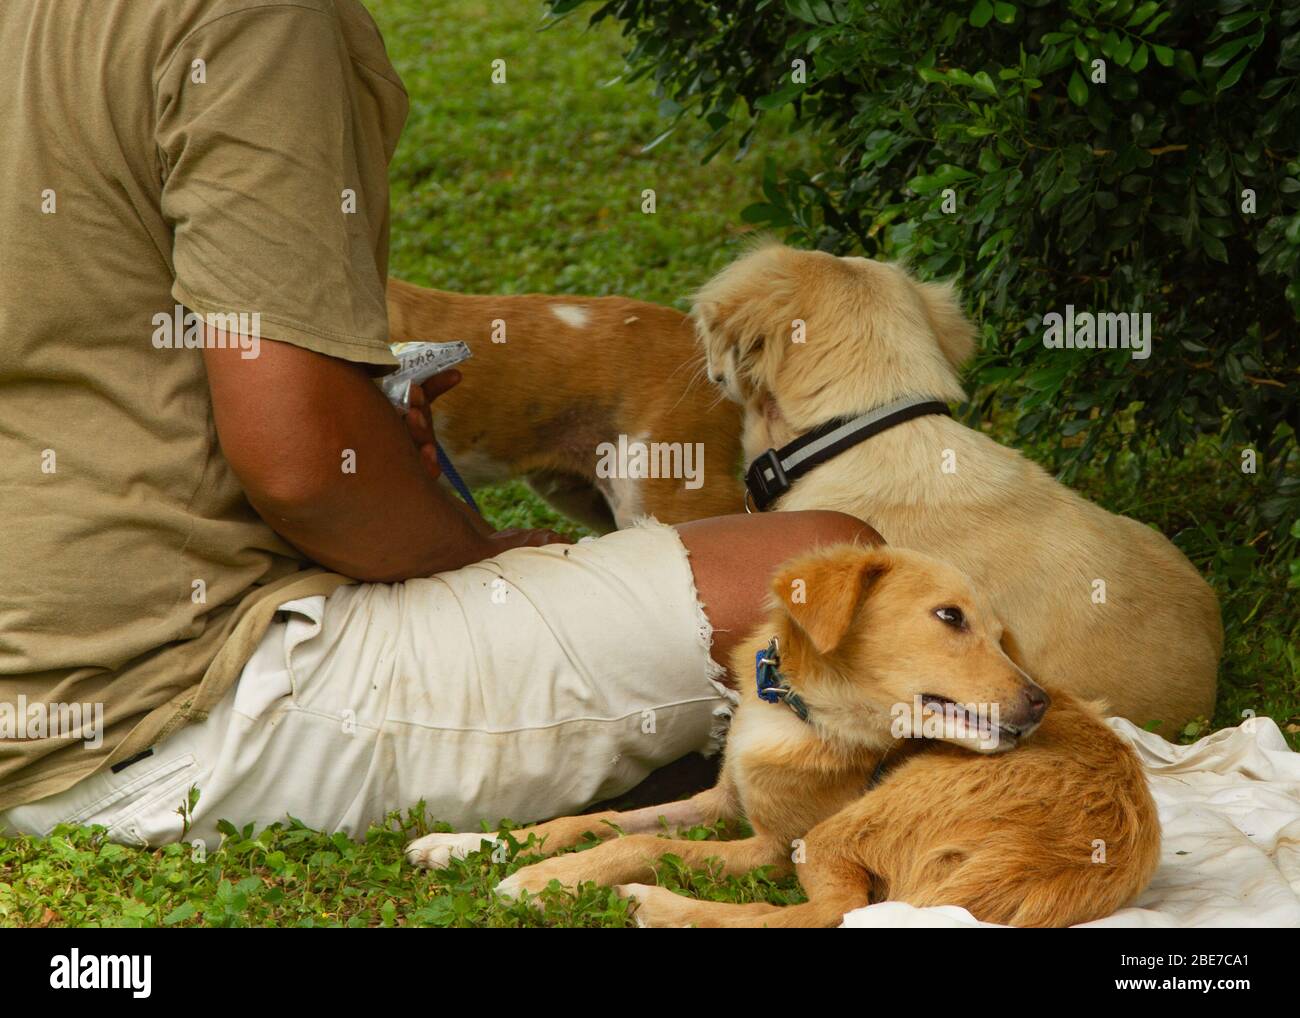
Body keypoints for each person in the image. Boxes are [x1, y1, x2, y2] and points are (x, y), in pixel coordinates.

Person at [0, 0, 877, 846]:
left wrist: (357, 424)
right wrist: (472, 554)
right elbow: (304, 466)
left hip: (34, 683)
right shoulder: (249, 17)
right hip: (162, 709)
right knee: (829, 568)